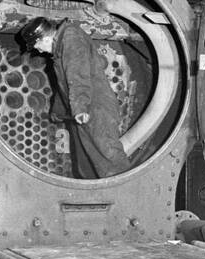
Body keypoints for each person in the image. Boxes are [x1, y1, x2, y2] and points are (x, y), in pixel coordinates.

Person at [17, 16, 131, 178]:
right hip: (85, 110)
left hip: (95, 107)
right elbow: (64, 85)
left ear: (46, 37)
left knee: (109, 156)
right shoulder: (61, 47)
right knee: (87, 163)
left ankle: (124, 196)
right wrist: (58, 110)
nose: (39, 50)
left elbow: (77, 76)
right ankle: (92, 198)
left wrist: (80, 108)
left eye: (37, 45)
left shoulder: (71, 37)